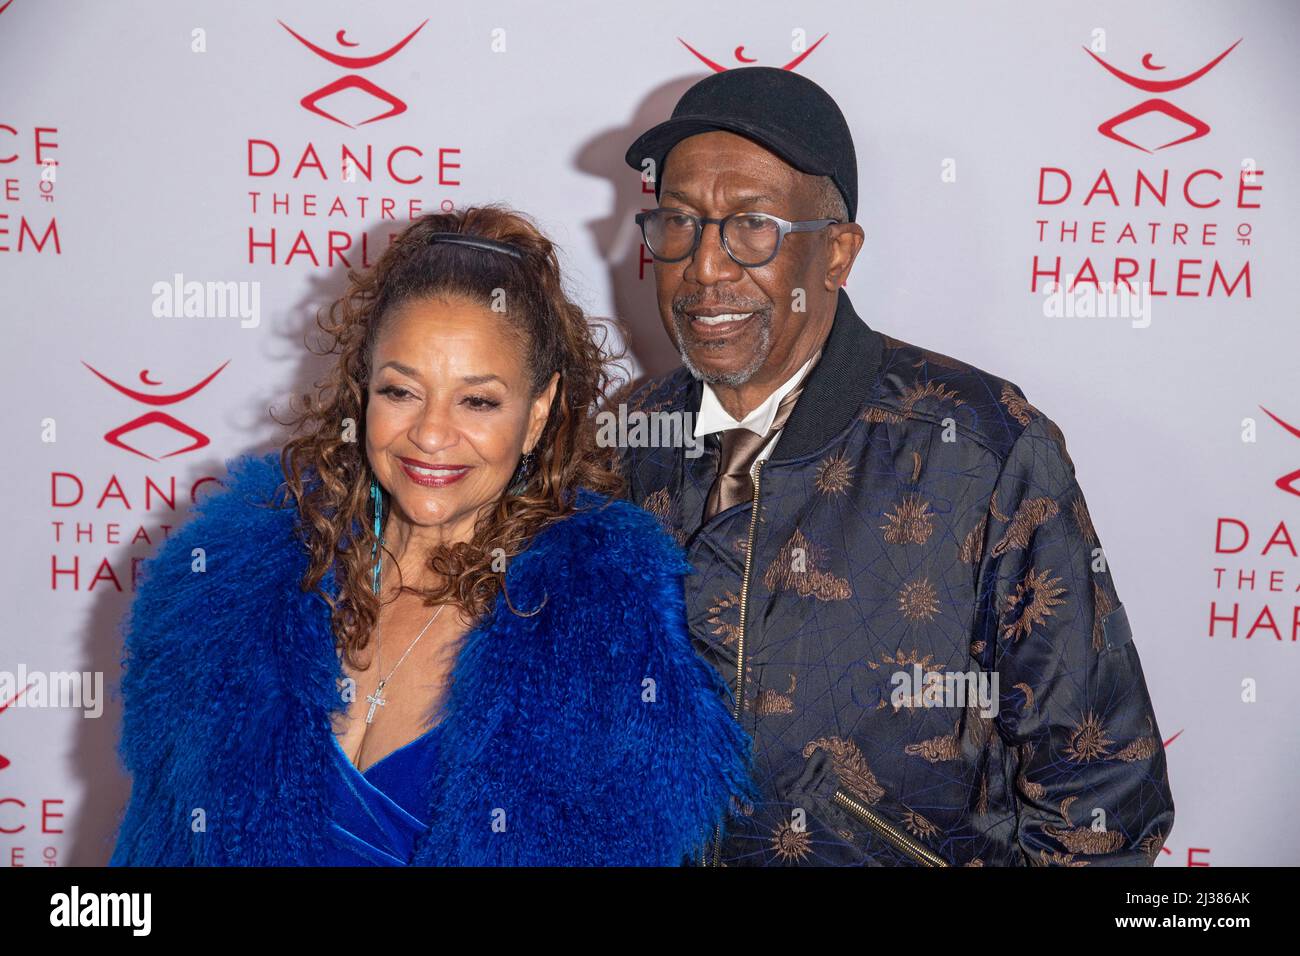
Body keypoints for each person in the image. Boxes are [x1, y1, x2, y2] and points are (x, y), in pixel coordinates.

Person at [617, 67, 1175, 866]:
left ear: (837, 254)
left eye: (753, 228)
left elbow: (1104, 801)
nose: (705, 267)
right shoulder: (617, 445)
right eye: (678, 223)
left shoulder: (980, 449)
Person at [108, 205, 756, 866]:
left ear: (536, 414)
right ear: (362, 392)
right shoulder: (233, 591)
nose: (432, 434)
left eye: (478, 401)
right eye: (401, 391)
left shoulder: (596, 628)